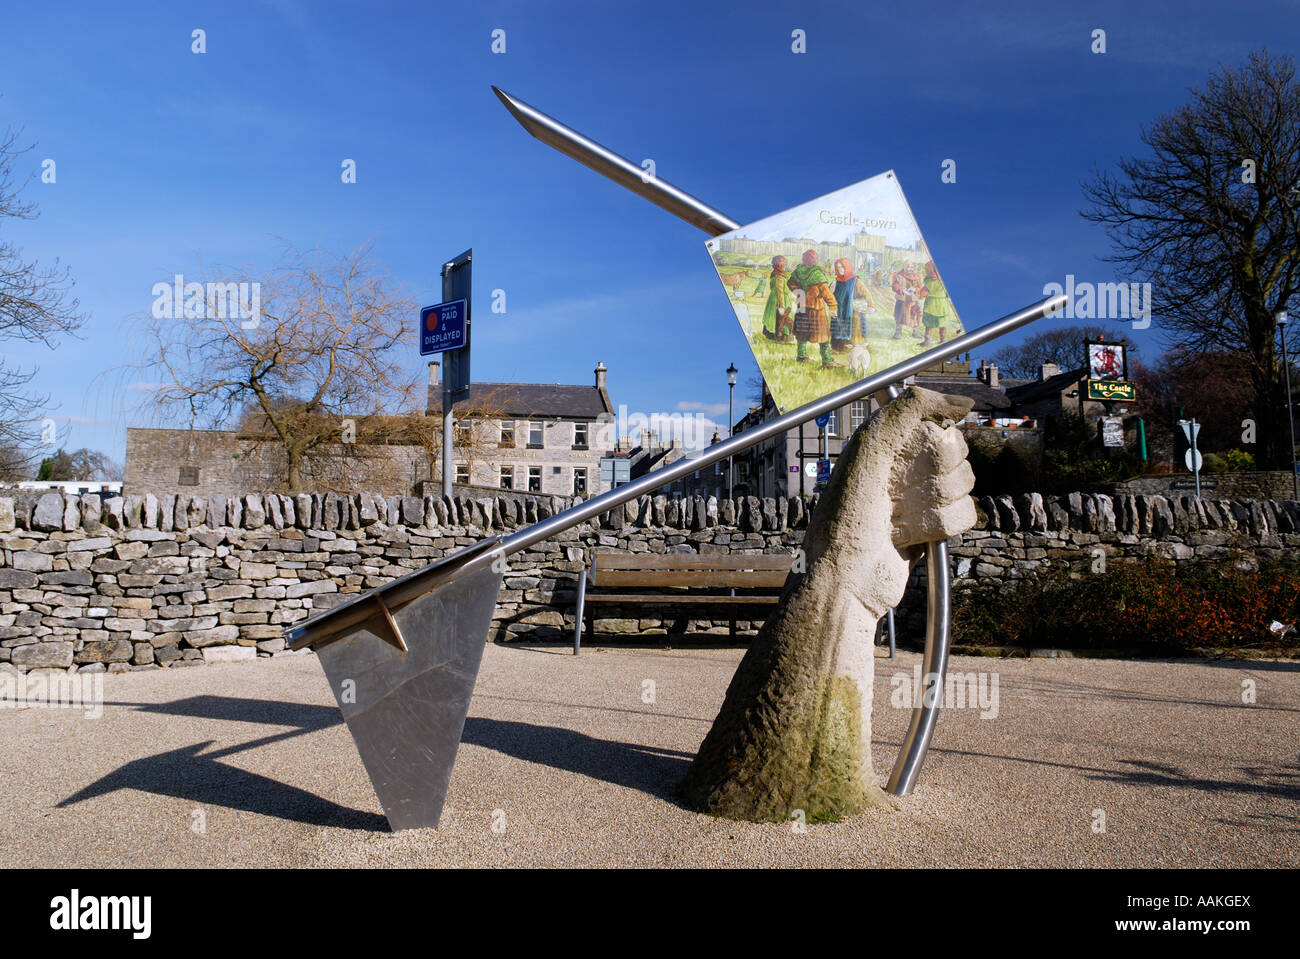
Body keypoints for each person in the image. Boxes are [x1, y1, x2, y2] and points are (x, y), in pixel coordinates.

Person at [788, 250, 841, 368]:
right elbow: (826, 292)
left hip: (801, 307)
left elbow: (790, 283)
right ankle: (827, 361)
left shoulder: (797, 271)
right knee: (823, 335)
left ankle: (801, 357)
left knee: (802, 333)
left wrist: (800, 294)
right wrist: (832, 306)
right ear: (814, 260)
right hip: (816, 309)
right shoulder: (817, 274)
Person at [832, 257, 871, 349]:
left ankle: (854, 344)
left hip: (852, 310)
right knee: (837, 326)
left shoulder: (855, 280)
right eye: (838, 267)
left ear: (847, 267)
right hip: (839, 310)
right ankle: (839, 346)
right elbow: (829, 295)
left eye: (842, 267)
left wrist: (870, 305)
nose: (840, 269)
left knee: (855, 323)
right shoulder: (836, 281)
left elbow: (866, 293)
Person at [917, 260, 953, 346]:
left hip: (931, 305)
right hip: (942, 304)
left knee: (929, 325)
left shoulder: (928, 281)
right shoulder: (944, 280)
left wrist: (920, 295)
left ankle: (927, 341)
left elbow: (923, 293)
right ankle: (943, 341)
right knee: (942, 324)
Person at [762, 255, 795, 343]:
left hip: (773, 299)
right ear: (778, 265)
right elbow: (780, 292)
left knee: (777, 317)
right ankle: (780, 338)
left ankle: (775, 336)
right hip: (780, 300)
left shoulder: (775, 274)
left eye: (784, 263)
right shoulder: (779, 277)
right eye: (782, 263)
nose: (784, 265)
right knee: (782, 318)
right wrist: (782, 306)